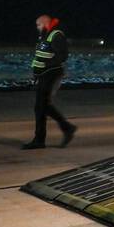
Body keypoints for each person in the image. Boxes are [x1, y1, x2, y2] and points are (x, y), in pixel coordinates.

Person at [22, 14, 76, 149]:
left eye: (38, 25)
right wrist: (36, 73)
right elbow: (40, 56)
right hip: (43, 75)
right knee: (42, 106)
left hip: (52, 75)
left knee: (41, 106)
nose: (37, 28)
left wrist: (46, 68)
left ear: (45, 23)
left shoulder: (56, 35)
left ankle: (41, 139)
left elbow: (62, 56)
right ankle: (66, 128)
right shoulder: (45, 35)